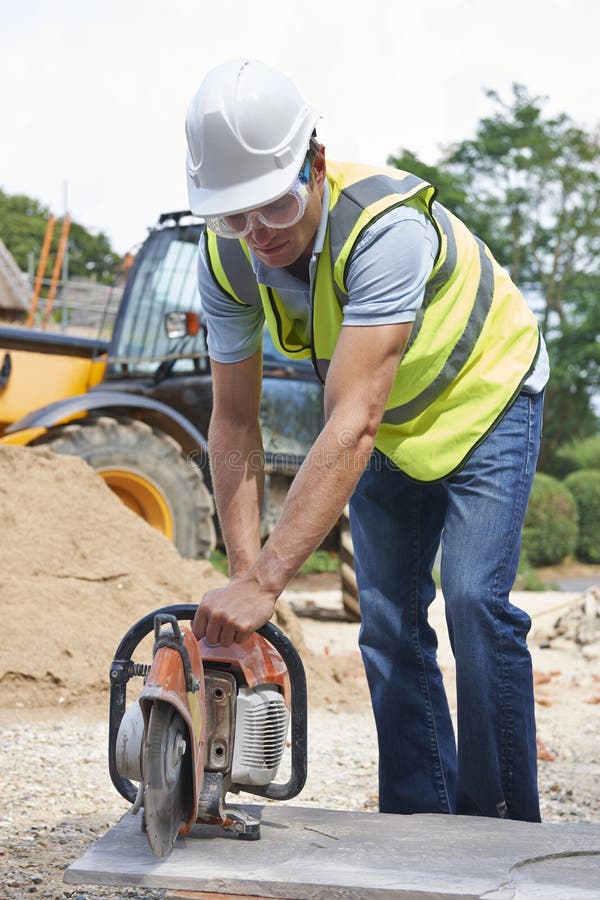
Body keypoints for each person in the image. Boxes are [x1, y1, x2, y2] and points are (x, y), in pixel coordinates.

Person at [185, 58, 549, 822]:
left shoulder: (385, 229)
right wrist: (248, 576)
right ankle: (422, 821)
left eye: (274, 208)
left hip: (486, 399)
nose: (257, 236)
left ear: (314, 164)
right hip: (386, 423)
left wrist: (269, 581)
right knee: (384, 618)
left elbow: (352, 421)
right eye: (233, 217)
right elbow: (234, 420)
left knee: (475, 602)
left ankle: (499, 827)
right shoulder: (227, 258)